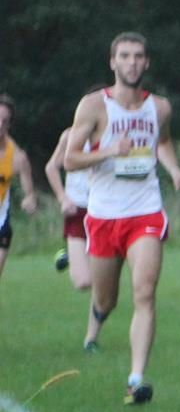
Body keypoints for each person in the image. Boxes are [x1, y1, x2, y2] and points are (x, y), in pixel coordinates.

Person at [64, 34, 180, 403]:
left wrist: (175, 170)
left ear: (147, 63)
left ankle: (136, 379)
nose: (132, 62)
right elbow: (71, 159)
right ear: (112, 63)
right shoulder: (94, 106)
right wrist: (107, 151)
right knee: (106, 299)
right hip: (104, 215)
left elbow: (162, 141)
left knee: (146, 292)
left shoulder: (160, 108)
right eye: (125, 56)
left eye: (138, 56)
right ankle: (98, 316)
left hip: (145, 210)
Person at [48, 124, 97, 291]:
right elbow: (51, 167)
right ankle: (73, 254)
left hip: (103, 210)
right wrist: (63, 199)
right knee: (83, 282)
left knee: (99, 282)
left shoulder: (111, 137)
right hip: (77, 210)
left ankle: (75, 254)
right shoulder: (69, 136)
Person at [0, 95, 40, 286]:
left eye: (4, 121)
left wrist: (29, 200)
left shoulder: (17, 157)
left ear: (10, 125)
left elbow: (29, 193)